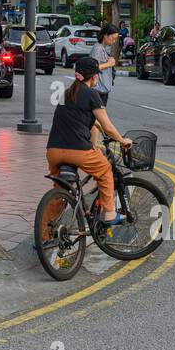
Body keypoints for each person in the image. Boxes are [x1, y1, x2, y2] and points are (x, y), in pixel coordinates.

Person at [46, 56, 133, 226]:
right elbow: (108, 127)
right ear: (93, 76)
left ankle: (44, 235)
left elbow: (80, 117)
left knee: (60, 190)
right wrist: (122, 141)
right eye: (98, 74)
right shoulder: (92, 94)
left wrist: (98, 128)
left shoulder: (67, 93)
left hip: (53, 151)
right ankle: (109, 213)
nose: (98, 77)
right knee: (105, 171)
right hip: (78, 151)